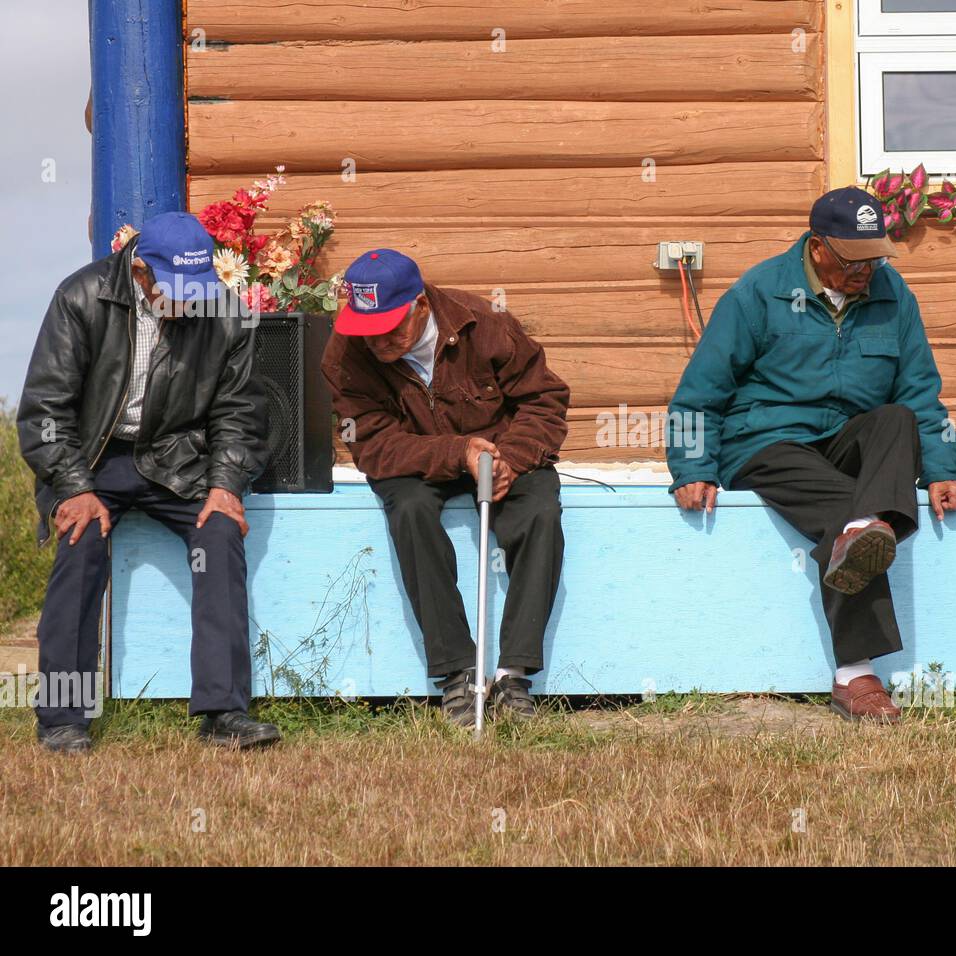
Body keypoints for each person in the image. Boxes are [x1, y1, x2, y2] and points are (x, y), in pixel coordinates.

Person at [667, 188, 956, 722]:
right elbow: (700, 391)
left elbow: (919, 390)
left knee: (895, 421)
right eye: (854, 258)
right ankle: (857, 672)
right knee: (855, 516)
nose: (867, 270)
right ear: (818, 247)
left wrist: (944, 466)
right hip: (767, 441)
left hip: (846, 441)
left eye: (875, 256)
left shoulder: (893, 293)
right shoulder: (758, 292)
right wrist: (693, 466)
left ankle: (863, 530)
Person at [18, 210, 277, 752]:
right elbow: (45, 412)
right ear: (140, 272)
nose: (191, 302)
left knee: (220, 535)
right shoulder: (79, 298)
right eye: (177, 290)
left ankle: (223, 712)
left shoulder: (225, 312)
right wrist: (74, 487)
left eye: (198, 289)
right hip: (92, 460)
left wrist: (227, 484)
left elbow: (239, 414)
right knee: (80, 542)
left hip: (177, 460)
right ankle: (64, 719)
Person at [321, 249, 570, 726]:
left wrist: (511, 461)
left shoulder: (484, 323)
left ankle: (514, 675)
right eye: (366, 329)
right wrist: (455, 453)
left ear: (420, 305)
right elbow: (372, 444)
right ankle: (458, 674)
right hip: (415, 460)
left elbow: (544, 400)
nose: (375, 340)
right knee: (410, 510)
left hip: (502, 452)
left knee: (540, 511)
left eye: (390, 327)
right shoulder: (345, 352)